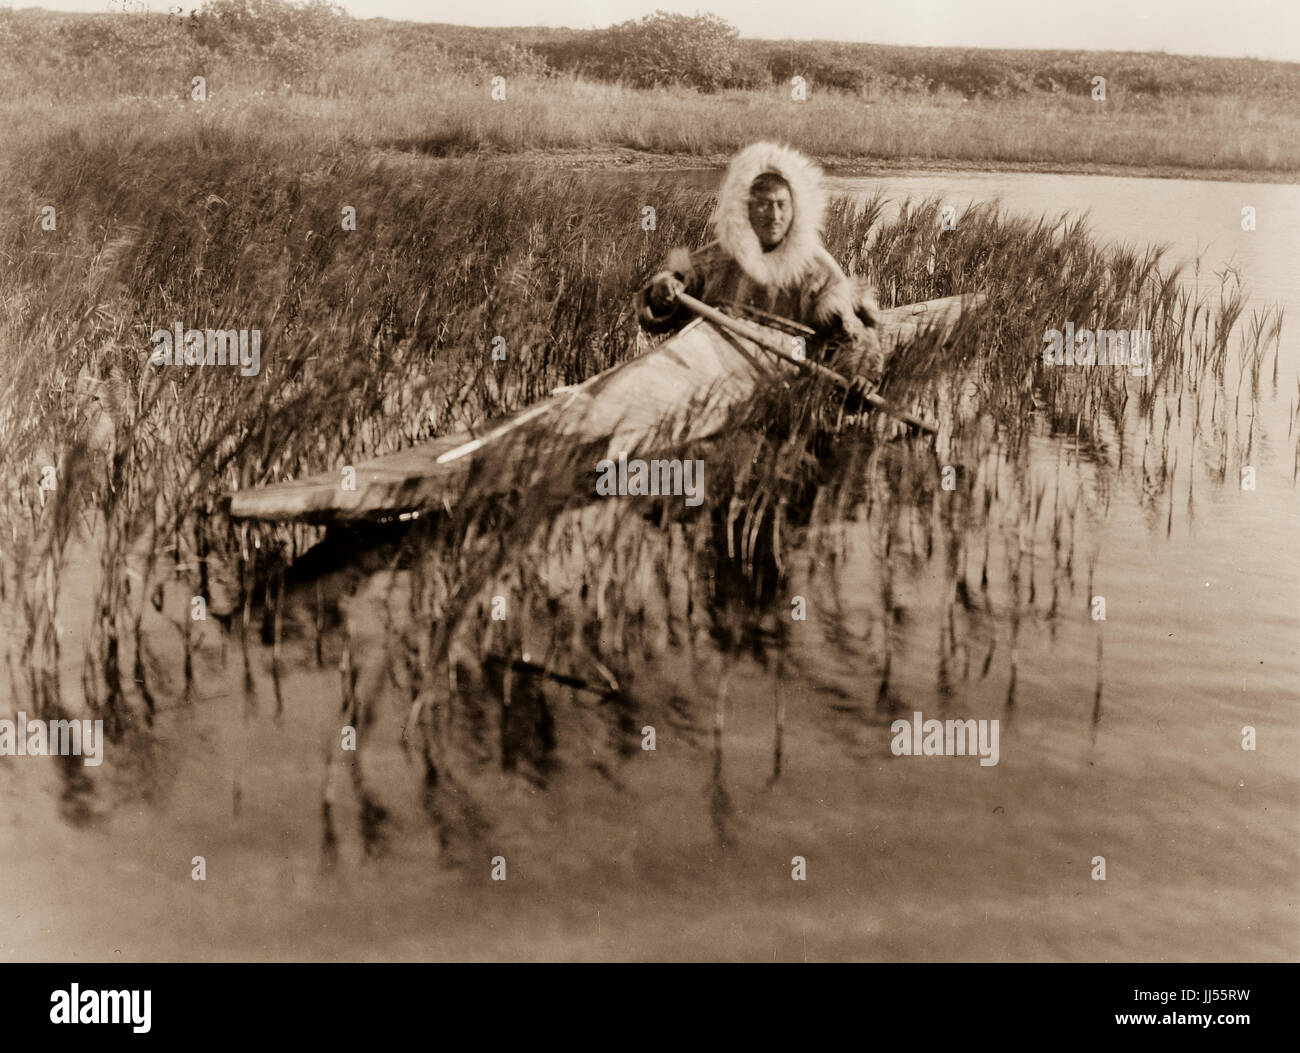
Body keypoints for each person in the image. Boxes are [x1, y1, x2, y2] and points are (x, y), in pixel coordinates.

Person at [636, 141, 883, 386]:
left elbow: (853, 338)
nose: (774, 216)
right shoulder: (717, 259)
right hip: (708, 374)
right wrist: (663, 291)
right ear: (746, 209)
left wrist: (860, 376)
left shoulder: (817, 270)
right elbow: (661, 308)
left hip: (781, 383)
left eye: (781, 205)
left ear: (795, 209)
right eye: (763, 204)